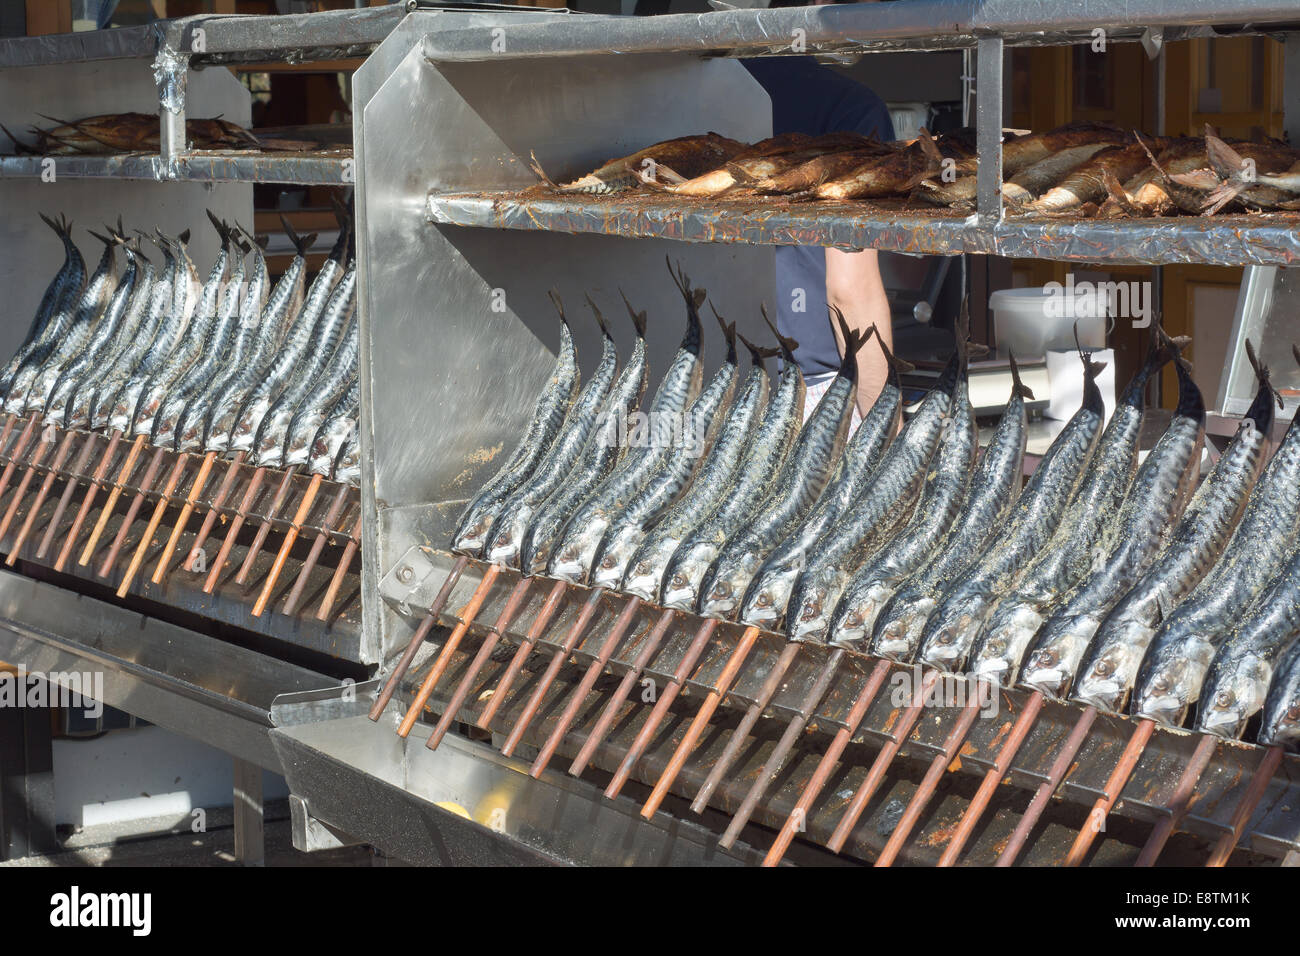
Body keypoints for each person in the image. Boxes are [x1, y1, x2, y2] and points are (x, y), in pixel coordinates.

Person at [741, 54, 895, 425]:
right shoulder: (852, 108)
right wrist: (887, 436)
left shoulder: (697, 92)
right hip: (813, 393)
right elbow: (849, 290)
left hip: (707, 380)